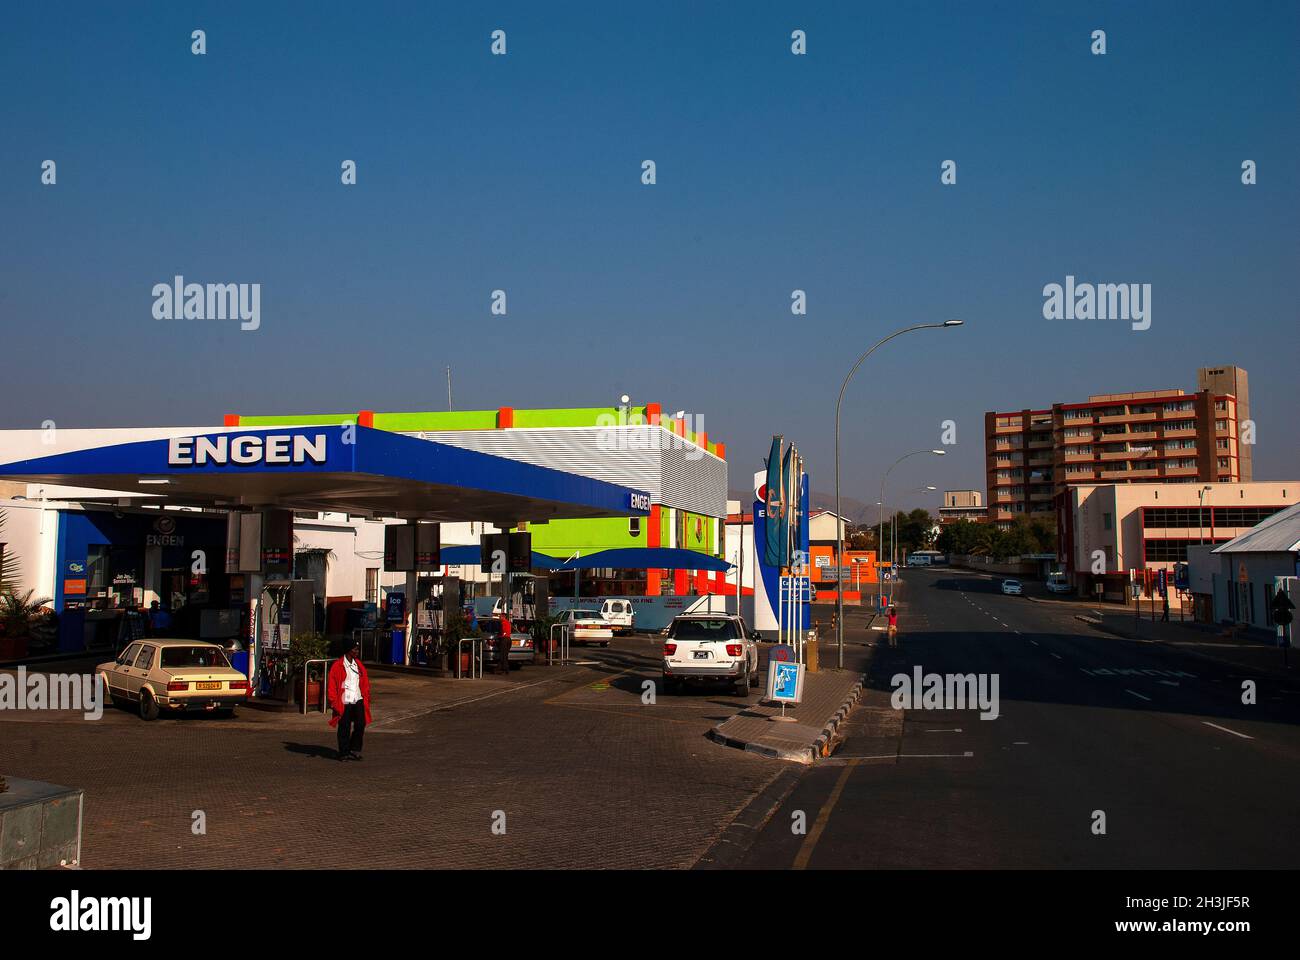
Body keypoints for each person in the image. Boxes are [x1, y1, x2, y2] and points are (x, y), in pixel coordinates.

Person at [327, 637, 371, 761]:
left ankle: (355, 748)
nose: (357, 651)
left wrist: (366, 695)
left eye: (357, 648)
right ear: (348, 650)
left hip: (358, 698)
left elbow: (364, 681)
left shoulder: (359, 665)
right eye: (355, 649)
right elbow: (332, 684)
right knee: (344, 726)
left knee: (361, 724)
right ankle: (344, 752)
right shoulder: (338, 665)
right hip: (344, 699)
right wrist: (333, 701)